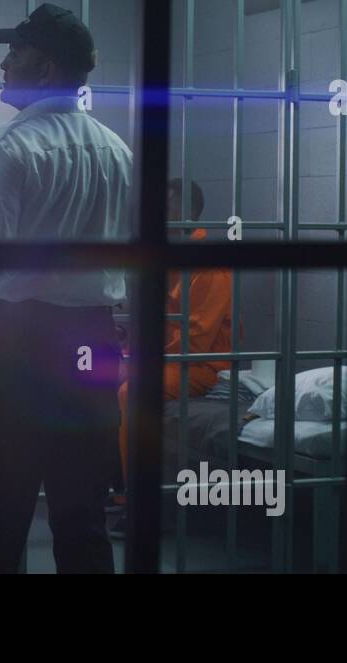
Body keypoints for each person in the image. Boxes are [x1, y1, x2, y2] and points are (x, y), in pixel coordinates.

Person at [0, 3, 133, 573]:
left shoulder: (8, 148)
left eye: (15, 52)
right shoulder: (118, 151)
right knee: (84, 523)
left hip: (21, 347)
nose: (3, 63)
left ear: (42, 70)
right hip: (91, 349)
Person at [108, 179, 234, 535]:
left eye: (166, 207)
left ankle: (139, 504)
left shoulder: (207, 265)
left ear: (186, 212)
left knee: (129, 393)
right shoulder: (167, 257)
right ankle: (115, 487)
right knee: (92, 376)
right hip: (167, 358)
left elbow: (194, 343)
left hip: (203, 367)